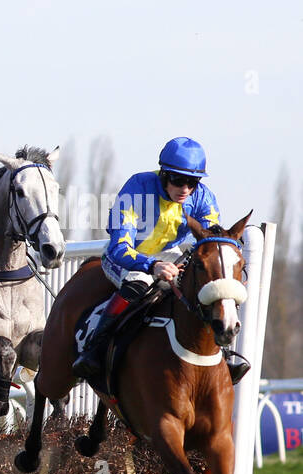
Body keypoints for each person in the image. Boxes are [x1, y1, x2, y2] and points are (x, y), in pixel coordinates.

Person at [73, 137, 248, 383]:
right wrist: (152, 266)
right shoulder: (137, 188)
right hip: (128, 256)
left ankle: (224, 352)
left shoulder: (203, 198)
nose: (185, 189)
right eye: (178, 179)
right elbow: (120, 246)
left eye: (192, 182)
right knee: (139, 284)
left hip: (169, 254)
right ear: (163, 175)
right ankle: (95, 350)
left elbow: (210, 240)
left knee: (203, 283)